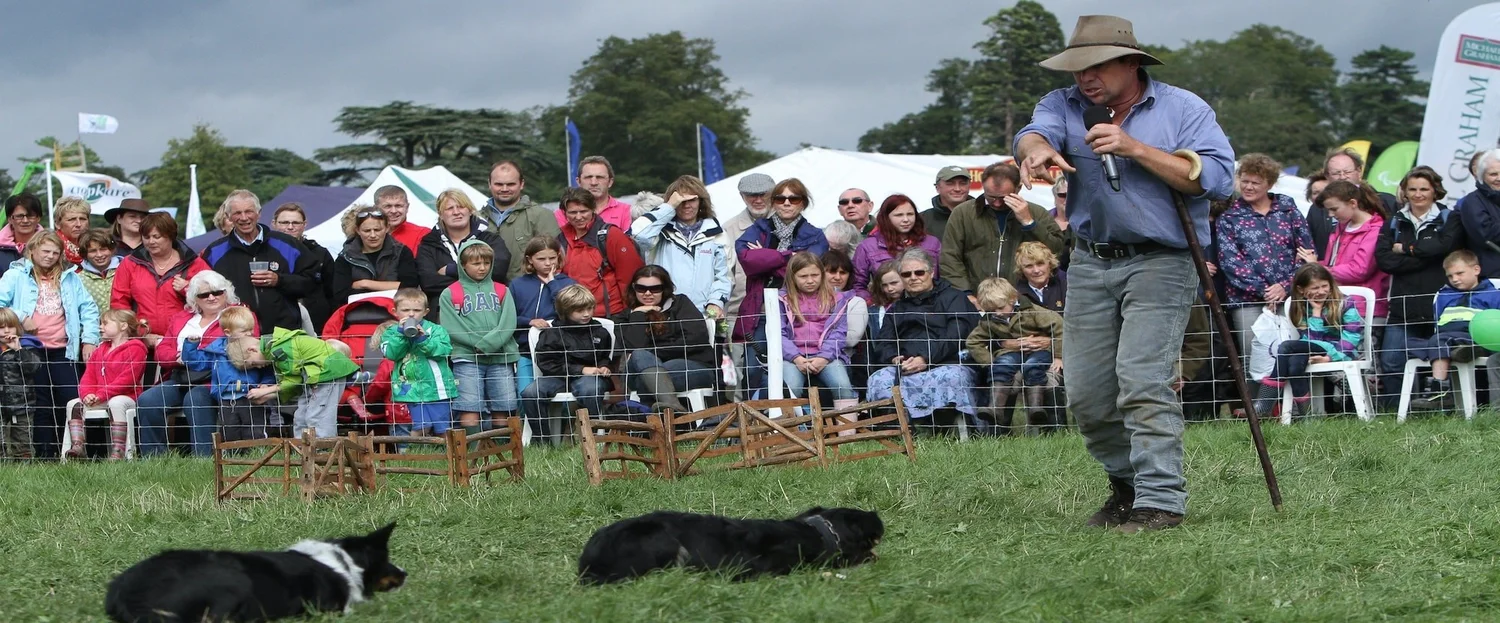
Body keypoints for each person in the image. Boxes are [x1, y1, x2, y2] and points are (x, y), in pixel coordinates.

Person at [1015, 14, 1235, 532]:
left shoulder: (1183, 108)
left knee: (1142, 379)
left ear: (1132, 62)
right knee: (1086, 391)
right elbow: (1034, 134)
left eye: (1097, 66)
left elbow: (1219, 178)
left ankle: (1161, 501)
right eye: (1077, 68)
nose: (1084, 78)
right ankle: (1126, 486)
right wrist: (1037, 151)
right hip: (1091, 260)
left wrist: (1136, 148)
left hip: (1164, 259)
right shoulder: (1062, 104)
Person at [0, 231, 100, 458]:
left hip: (65, 349)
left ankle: (81, 450)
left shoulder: (70, 277)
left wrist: (89, 340)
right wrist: (22, 317)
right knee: (40, 402)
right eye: (45, 251)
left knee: (72, 399)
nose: (50, 256)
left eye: (55, 253)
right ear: (32, 250)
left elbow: (89, 309)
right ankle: (47, 454)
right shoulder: (16, 275)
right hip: (29, 348)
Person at [1214, 153, 1313, 372]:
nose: (1248, 187)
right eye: (1244, 181)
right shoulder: (1229, 218)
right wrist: (1266, 291)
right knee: (1255, 360)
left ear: (1269, 183)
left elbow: (1307, 253)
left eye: (1255, 183)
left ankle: (1300, 407)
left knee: (1297, 357)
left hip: (1291, 298)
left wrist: (1285, 287)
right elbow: (1230, 262)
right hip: (1247, 301)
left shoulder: (1288, 210)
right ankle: (1259, 407)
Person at [135, 271, 248, 456]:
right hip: (180, 375)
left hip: (217, 379)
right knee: (147, 400)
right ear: (195, 298)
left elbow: (241, 349)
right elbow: (162, 350)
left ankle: (204, 458)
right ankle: (154, 458)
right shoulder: (182, 318)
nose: (211, 297)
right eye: (204, 294)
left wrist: (192, 355)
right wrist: (177, 357)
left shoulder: (239, 315)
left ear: (226, 292)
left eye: (217, 292)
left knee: (195, 399)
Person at [735, 178, 830, 396]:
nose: (786, 203)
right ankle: (753, 423)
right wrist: (788, 256)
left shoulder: (815, 235)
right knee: (753, 368)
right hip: (760, 311)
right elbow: (748, 260)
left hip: (798, 314)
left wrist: (766, 258)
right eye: (780, 198)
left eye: (793, 198)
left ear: (802, 203)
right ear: (773, 202)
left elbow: (805, 270)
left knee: (790, 371)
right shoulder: (758, 228)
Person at [1375, 167, 1461, 405]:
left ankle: (1446, 409)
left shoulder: (1449, 218)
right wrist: (1425, 256)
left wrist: (1406, 250)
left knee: (1444, 358)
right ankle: (1397, 411)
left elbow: (1445, 248)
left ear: (1435, 191)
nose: (1418, 194)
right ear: (1405, 191)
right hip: (1404, 304)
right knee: (1391, 360)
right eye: (1412, 189)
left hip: (1441, 304)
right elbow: (1384, 260)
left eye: (1424, 189)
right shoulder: (1394, 222)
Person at [867, 249, 980, 424]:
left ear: (931, 272)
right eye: (906, 274)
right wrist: (893, 357)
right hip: (907, 365)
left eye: (919, 272)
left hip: (948, 361)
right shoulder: (897, 308)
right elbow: (883, 343)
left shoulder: (954, 298)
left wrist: (925, 358)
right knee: (879, 379)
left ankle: (957, 428)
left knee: (952, 377)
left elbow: (956, 335)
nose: (913, 277)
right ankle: (896, 433)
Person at [200, 190, 322, 332]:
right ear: (228, 217)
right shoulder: (215, 252)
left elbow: (313, 282)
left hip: (284, 332)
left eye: (249, 211)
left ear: (259, 213)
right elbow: (204, 292)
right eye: (237, 213)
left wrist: (280, 280)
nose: (244, 218)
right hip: (237, 334)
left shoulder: (287, 244)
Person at [1253, 264, 1364, 419]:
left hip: (1342, 352)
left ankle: (1265, 403)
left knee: (1285, 347)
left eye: (1324, 286)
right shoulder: (1301, 306)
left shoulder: (1345, 303)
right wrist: (1316, 314)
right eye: (1315, 288)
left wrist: (1330, 356)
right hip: (1311, 348)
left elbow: (1352, 337)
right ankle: (1306, 416)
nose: (1321, 291)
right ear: (1301, 290)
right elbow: (1311, 341)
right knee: (1294, 363)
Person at [941, 161, 1066, 298]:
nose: (997, 203)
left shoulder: (1036, 212)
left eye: (1003, 197)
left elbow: (1057, 249)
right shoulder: (963, 213)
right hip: (976, 298)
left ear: (1018, 188)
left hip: (1025, 299)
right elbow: (950, 258)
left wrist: (1028, 222)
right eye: (991, 196)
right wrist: (965, 294)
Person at [441, 240, 519, 438]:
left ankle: (503, 447)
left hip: (501, 357)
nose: (482, 268)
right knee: (469, 405)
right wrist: (479, 345)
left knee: (504, 405)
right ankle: (472, 449)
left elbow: (508, 322)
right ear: (463, 264)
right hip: (466, 357)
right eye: (476, 263)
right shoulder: (450, 293)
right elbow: (452, 327)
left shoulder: (502, 290)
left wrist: (489, 344)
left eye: (486, 263)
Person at [967, 277, 1064, 432]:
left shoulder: (1030, 311)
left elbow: (1058, 325)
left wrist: (1058, 356)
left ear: (1012, 299)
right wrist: (990, 362)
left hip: (1038, 351)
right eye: (991, 311)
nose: (997, 313)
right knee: (1002, 365)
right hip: (1010, 353)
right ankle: (995, 408)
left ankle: (1036, 408)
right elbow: (973, 341)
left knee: (1032, 366)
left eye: (999, 308)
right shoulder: (989, 321)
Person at [616, 265, 716, 414]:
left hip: (693, 367)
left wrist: (655, 353)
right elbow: (634, 346)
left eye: (655, 289)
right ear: (633, 288)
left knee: (647, 377)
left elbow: (696, 339)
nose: (648, 293)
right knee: (640, 355)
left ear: (665, 289)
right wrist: (638, 315)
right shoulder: (625, 317)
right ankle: (674, 408)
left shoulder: (681, 305)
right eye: (641, 288)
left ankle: (663, 416)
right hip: (642, 372)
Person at [522, 284, 614, 444]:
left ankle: (591, 439)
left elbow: (605, 356)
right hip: (556, 376)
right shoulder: (551, 334)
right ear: (565, 311)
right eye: (579, 310)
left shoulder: (600, 332)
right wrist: (581, 369)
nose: (586, 314)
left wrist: (604, 366)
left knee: (590, 389)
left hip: (590, 379)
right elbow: (546, 363)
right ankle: (542, 441)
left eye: (589, 308)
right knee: (531, 392)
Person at [234, 325, 361, 439]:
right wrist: (267, 396)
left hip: (326, 373)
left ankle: (323, 448)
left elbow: (293, 381)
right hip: (313, 377)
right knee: (301, 415)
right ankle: (302, 447)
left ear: (252, 350)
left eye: (253, 363)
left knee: (318, 415)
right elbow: (295, 384)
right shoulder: (277, 348)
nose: (258, 367)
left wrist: (266, 390)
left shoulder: (279, 349)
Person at [630, 175, 731, 316]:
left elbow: (724, 276)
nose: (687, 205)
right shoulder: (658, 232)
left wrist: (715, 302)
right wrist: (668, 207)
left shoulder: (717, 234)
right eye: (681, 201)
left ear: (701, 201)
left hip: (704, 314)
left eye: (692, 200)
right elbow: (637, 233)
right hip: (664, 313)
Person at [1410, 251, 1500, 410]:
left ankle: (1439, 390)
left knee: (1440, 341)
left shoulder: (1493, 294)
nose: (1455, 279)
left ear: (1476, 270)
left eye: (1460, 273)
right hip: (1447, 336)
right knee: (1410, 343)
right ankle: (1462, 352)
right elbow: (1437, 322)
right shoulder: (1444, 295)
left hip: (1474, 336)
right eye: (1450, 276)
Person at [777, 253, 859, 411]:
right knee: (791, 388)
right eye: (803, 276)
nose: (809, 280)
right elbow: (778, 334)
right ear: (792, 277)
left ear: (822, 274)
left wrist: (824, 357)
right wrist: (796, 358)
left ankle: (847, 432)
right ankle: (795, 433)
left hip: (826, 355)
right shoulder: (782, 299)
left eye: (814, 275)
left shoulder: (837, 299)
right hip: (793, 357)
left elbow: (838, 333)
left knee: (843, 387)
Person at [1300, 181, 1390, 323]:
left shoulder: (1376, 230)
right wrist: (1310, 261)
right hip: (1337, 305)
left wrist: (1317, 267)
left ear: (1353, 203)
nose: (1330, 214)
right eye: (1328, 210)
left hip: (1364, 310)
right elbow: (1334, 263)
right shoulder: (1341, 228)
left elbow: (1359, 270)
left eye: (1334, 209)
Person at [63, 309, 147, 460]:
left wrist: (101, 394)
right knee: (73, 404)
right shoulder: (100, 349)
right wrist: (87, 394)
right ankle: (78, 446)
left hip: (127, 397)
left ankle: (119, 451)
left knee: (116, 403)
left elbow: (127, 380)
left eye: (105, 323)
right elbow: (88, 376)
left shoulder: (136, 349)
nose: (100, 327)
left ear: (123, 326)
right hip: (100, 397)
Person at [416, 189, 511, 322]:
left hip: (489, 310)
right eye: (449, 208)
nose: (456, 212)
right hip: (445, 313)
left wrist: (451, 270)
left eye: (461, 206)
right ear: (441, 214)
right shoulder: (429, 244)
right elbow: (429, 282)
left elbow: (497, 272)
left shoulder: (490, 240)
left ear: (470, 210)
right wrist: (476, 280)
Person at [373, 288, 457, 438]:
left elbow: (444, 351)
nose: (411, 314)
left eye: (417, 310)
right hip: (411, 390)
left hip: (437, 388)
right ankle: (416, 458)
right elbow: (391, 354)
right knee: (421, 426)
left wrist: (423, 340)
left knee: (443, 428)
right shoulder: (391, 332)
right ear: (395, 311)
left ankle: (448, 458)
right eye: (405, 310)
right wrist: (401, 334)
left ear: (425, 312)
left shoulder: (436, 330)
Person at [183, 307, 273, 444]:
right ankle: (233, 459)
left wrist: (266, 384)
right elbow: (196, 363)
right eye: (244, 331)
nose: (249, 333)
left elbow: (267, 369)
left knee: (254, 431)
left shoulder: (255, 347)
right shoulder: (216, 350)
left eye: (251, 329)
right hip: (225, 398)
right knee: (230, 431)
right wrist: (191, 345)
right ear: (227, 332)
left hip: (250, 396)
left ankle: (258, 456)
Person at [111, 212, 210, 338]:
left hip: (185, 339)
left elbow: (213, 298)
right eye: (146, 237)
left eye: (156, 237)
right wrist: (139, 333)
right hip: (141, 340)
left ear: (170, 236)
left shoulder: (194, 263)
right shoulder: (130, 263)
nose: (151, 241)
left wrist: (188, 289)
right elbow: (119, 303)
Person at [558, 187, 644, 317]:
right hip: (573, 315)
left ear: (593, 209)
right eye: (573, 212)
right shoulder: (561, 239)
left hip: (611, 314)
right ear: (564, 213)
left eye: (583, 211)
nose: (578, 217)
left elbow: (629, 278)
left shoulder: (611, 236)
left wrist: (631, 314)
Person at [510, 236, 579, 394]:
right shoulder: (518, 284)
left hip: (561, 354)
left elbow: (570, 312)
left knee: (563, 399)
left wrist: (552, 284)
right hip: (525, 351)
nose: (548, 263)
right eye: (541, 259)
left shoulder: (568, 283)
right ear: (530, 260)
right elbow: (508, 317)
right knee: (525, 393)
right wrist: (529, 321)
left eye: (552, 258)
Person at [851, 194, 942, 302]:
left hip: (929, 307)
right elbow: (857, 285)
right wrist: (874, 303)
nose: (906, 219)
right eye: (899, 215)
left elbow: (943, 279)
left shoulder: (932, 243)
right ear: (886, 217)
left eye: (910, 214)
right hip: (888, 309)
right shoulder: (868, 246)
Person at [480, 160, 559, 278]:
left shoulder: (541, 216)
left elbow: (554, 260)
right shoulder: (476, 218)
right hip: (486, 292)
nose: (505, 189)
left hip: (527, 291)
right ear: (489, 184)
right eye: (499, 184)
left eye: (511, 184)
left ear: (521, 184)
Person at [330, 205, 420, 305]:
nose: (373, 235)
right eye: (367, 231)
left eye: (377, 230)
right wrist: (391, 287)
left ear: (387, 228)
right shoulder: (345, 257)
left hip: (395, 312)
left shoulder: (402, 252)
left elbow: (409, 287)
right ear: (357, 230)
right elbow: (340, 294)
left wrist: (365, 284)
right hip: (357, 312)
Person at [271, 202, 337, 334]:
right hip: (277, 320)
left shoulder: (320, 253)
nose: (290, 227)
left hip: (316, 320)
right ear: (274, 224)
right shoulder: (263, 252)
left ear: (304, 225)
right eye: (284, 223)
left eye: (295, 223)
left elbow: (332, 293)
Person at [720, 173, 776, 325]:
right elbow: (722, 274)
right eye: (751, 195)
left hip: (782, 312)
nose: (758, 200)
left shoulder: (790, 225)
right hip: (738, 312)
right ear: (742, 196)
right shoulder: (727, 229)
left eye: (763, 194)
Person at [0, 308, 41, 459]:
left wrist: (18, 350)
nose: (5, 331)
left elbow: (34, 367)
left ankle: (25, 472)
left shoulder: (27, 346)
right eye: (1, 327)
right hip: (1, 404)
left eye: (9, 326)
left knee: (22, 444)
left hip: (22, 404)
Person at [559, 155, 633, 232]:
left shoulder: (627, 212)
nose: (593, 183)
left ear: (610, 182)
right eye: (588, 177)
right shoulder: (561, 214)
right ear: (578, 181)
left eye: (600, 177)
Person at [1459, 149, 1500, 278]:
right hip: (1491, 276)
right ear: (1482, 176)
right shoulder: (1472, 201)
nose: (1499, 178)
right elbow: (1486, 236)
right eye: (1493, 174)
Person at [1325, 148, 1399, 214]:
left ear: (1359, 171)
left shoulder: (1386, 202)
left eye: (1347, 172)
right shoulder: (1320, 209)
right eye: (1336, 173)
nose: (1342, 177)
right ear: (1327, 176)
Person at [1012, 241, 1067, 314]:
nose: (1036, 270)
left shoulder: (1066, 285)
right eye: (1029, 266)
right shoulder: (1014, 293)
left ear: (1050, 264)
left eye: (1040, 264)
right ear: (1021, 269)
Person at [0, 193, 45, 278]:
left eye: (30, 216)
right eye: (19, 216)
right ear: (10, 219)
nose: (25, 220)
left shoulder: (52, 246)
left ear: (38, 218)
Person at [373, 185, 428, 253]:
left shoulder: (423, 234)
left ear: (407, 207)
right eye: (388, 206)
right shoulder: (368, 234)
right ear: (376, 209)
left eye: (398, 206)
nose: (393, 211)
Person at [924, 166, 973, 240]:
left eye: (962, 183)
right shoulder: (922, 220)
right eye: (950, 183)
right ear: (937, 188)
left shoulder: (983, 215)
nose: (957, 189)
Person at [77, 229, 120, 314]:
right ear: (85, 254)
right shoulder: (79, 277)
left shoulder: (123, 271)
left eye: (103, 249)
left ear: (112, 250)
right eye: (93, 251)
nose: (99, 255)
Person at [1302, 170, 1334, 260]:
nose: (1321, 196)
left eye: (1325, 191)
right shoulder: (1314, 210)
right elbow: (1307, 238)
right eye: (1316, 193)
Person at [52, 196, 91, 267]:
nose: (78, 224)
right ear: (57, 224)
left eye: (83, 219)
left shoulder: (98, 246)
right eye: (71, 219)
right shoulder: (50, 248)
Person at [1050, 179, 1074, 272]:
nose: (1067, 199)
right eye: (1062, 195)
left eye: (1072, 195)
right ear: (1055, 196)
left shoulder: (1086, 223)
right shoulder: (1044, 219)